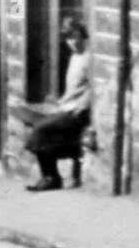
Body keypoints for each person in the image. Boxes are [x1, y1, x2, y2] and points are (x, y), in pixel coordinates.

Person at [25, 17, 93, 192]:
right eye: (68, 38)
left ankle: (51, 177)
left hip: (78, 113)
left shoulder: (88, 58)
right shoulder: (75, 57)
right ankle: (50, 175)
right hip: (67, 107)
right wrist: (61, 101)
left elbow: (93, 87)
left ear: (83, 36)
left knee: (41, 131)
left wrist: (81, 105)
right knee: (38, 127)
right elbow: (74, 88)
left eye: (75, 36)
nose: (72, 42)